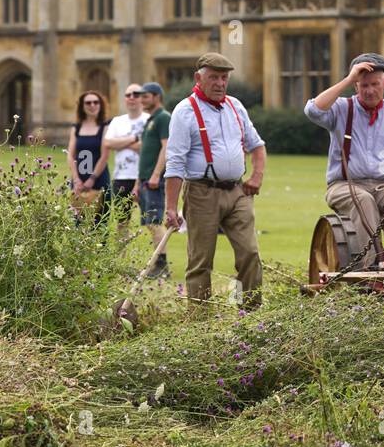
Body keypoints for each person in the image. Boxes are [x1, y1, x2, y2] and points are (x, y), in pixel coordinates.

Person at [164, 53, 267, 309]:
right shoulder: (185, 111)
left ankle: (249, 313)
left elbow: (257, 145)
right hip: (201, 193)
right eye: (214, 78)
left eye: (224, 78)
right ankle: (200, 321)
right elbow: (175, 162)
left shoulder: (235, 106)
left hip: (237, 191)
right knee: (201, 261)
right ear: (199, 78)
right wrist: (170, 207)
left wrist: (256, 176)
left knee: (250, 253)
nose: (220, 83)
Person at [304, 52, 384, 268]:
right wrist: (349, 78)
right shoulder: (341, 108)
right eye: (363, 85)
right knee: (363, 200)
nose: (369, 91)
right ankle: (368, 266)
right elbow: (312, 110)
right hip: (343, 185)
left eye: (375, 84)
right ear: (356, 86)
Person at [136, 82, 171, 277]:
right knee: (150, 222)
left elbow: (166, 148)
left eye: (145, 96)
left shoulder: (163, 118)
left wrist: (156, 175)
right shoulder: (151, 119)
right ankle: (156, 263)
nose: (141, 100)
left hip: (154, 179)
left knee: (155, 221)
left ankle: (162, 266)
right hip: (145, 179)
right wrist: (137, 183)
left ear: (156, 97)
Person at [103, 83, 150, 221]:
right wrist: (134, 138)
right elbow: (107, 143)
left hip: (145, 177)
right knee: (121, 222)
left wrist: (121, 143)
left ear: (142, 97)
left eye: (135, 94)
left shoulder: (149, 120)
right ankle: (122, 244)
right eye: (128, 95)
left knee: (152, 222)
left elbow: (149, 148)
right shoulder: (117, 121)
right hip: (121, 177)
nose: (131, 97)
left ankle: (161, 245)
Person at [66, 90, 111, 219]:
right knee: (79, 221)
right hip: (79, 179)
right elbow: (71, 155)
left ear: (101, 105)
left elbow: (105, 155)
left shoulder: (105, 127)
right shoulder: (77, 127)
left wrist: (92, 179)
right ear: (82, 106)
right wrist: (76, 180)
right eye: (88, 103)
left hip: (99, 179)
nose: (92, 105)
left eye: (96, 102)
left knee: (99, 222)